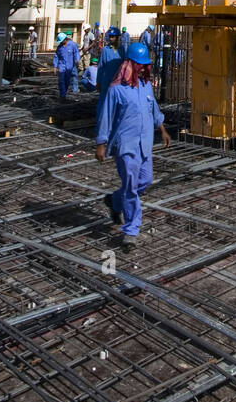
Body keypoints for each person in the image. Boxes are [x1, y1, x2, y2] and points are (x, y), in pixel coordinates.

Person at [95, 42, 172, 245]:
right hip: (126, 145)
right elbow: (106, 117)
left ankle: (115, 200)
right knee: (130, 187)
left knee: (145, 181)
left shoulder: (146, 86)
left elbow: (153, 109)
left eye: (145, 65)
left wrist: (162, 130)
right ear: (129, 64)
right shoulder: (116, 90)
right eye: (140, 65)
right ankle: (131, 230)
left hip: (144, 143)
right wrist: (101, 143)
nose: (143, 68)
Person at [53, 32, 80, 100]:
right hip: (62, 66)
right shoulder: (59, 47)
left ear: (65, 39)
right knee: (61, 80)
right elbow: (56, 56)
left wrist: (77, 60)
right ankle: (63, 95)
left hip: (69, 66)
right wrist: (55, 66)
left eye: (62, 41)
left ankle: (64, 92)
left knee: (67, 81)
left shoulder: (72, 45)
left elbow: (76, 52)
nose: (61, 43)